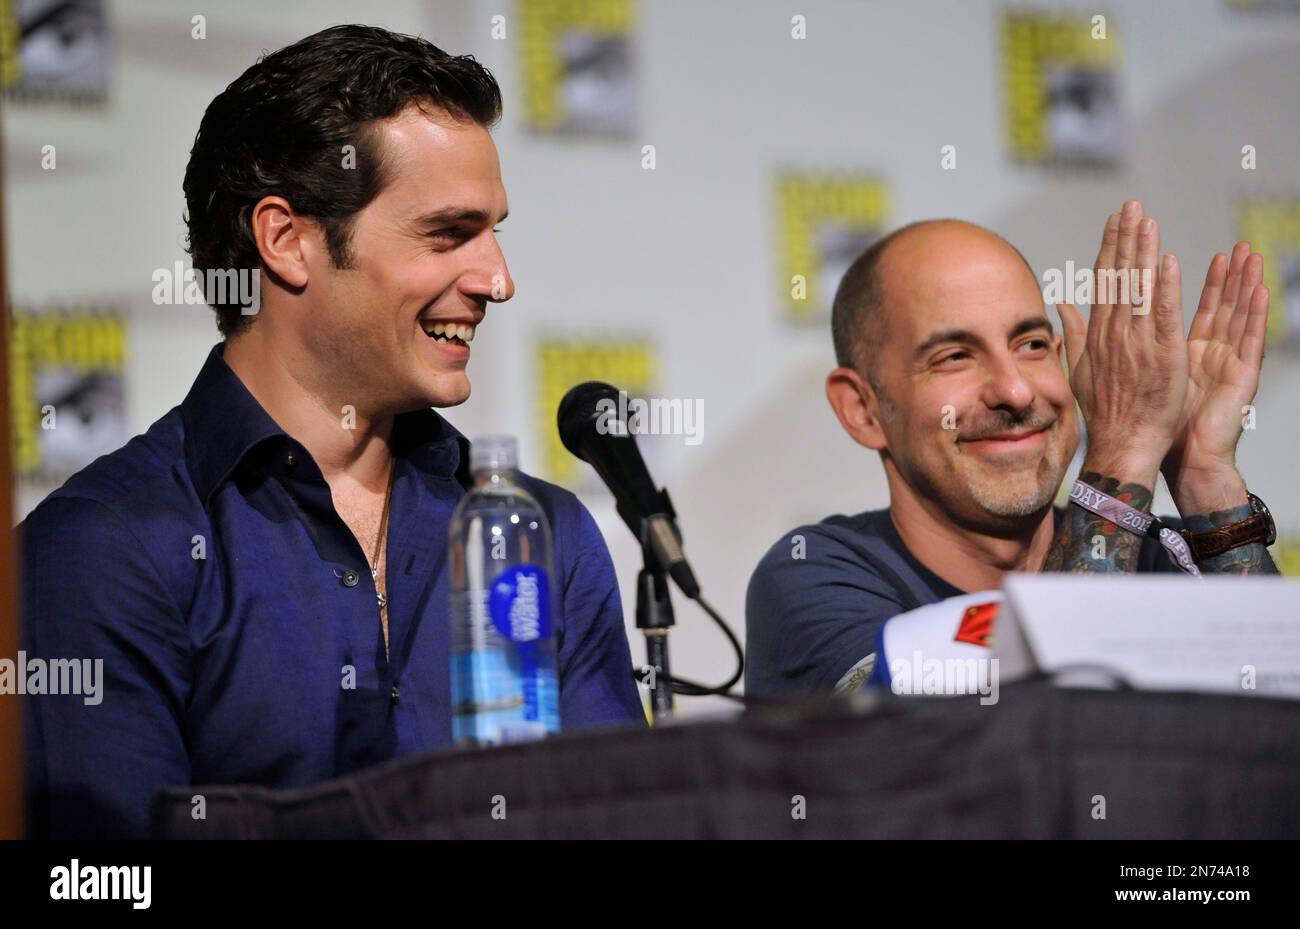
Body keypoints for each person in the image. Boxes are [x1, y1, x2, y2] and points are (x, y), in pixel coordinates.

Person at [20, 25, 644, 839]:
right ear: (287, 241)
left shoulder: (544, 537)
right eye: (448, 233)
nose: (497, 279)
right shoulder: (104, 549)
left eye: (495, 232)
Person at [746, 203, 1279, 699]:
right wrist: (1121, 454)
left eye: (1031, 345)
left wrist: (1206, 476)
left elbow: (1278, 744)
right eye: (954, 356)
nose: (1016, 391)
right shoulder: (815, 581)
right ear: (863, 409)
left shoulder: (1156, 557)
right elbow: (1036, 747)